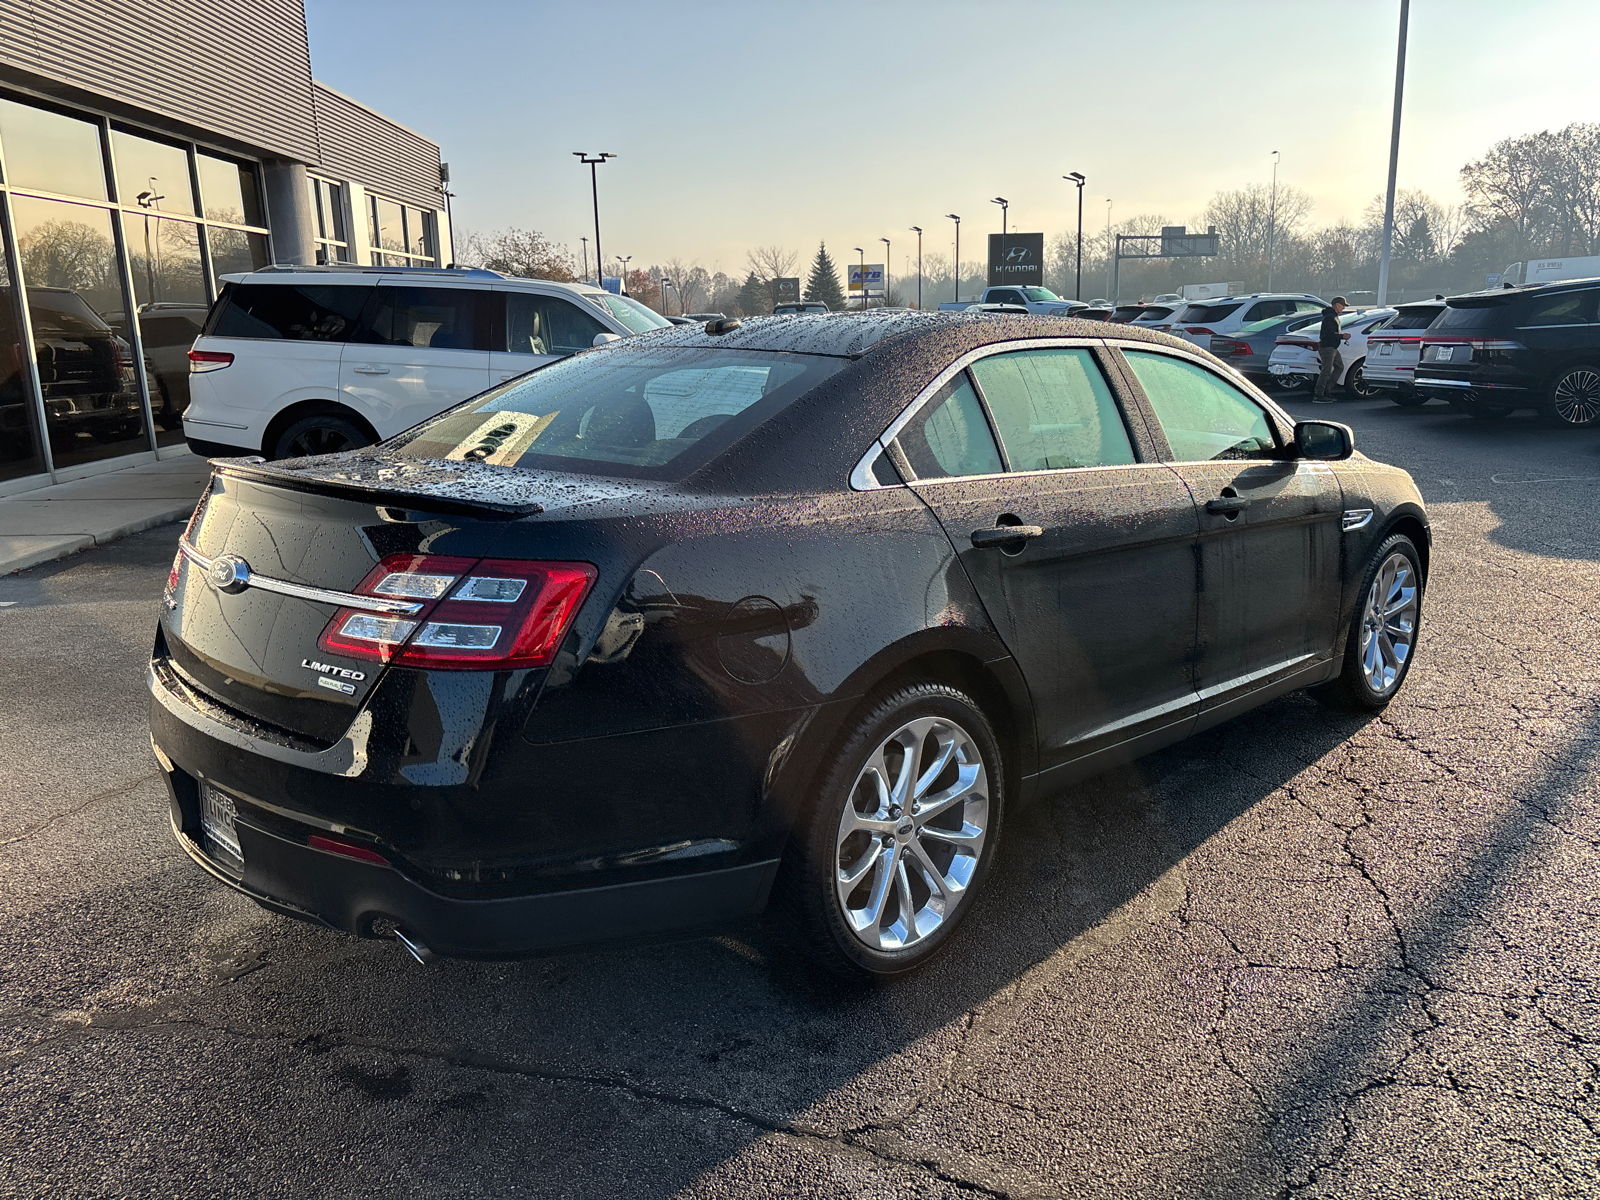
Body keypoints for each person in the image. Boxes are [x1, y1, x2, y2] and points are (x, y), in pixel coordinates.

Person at [1312, 296, 1348, 404]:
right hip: (1327, 347)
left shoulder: (1332, 316)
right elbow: (1328, 334)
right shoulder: (1330, 317)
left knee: (1339, 367)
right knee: (1326, 370)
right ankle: (1319, 394)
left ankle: (1327, 390)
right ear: (1337, 305)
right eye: (1343, 306)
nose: (1343, 308)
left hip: (1332, 347)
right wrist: (1342, 336)